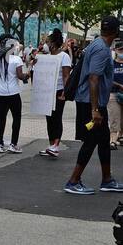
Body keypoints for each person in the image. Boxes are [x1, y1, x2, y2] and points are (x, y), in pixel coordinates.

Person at [63, 16, 123, 195]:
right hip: (91, 103)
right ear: (116, 32)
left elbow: (99, 75)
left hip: (93, 101)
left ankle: (107, 179)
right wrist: (95, 110)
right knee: (91, 140)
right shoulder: (102, 49)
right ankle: (73, 181)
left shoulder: (96, 45)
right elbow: (93, 78)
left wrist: (118, 85)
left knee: (103, 140)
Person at [36, 29, 72, 158]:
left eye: (48, 42)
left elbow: (67, 76)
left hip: (58, 91)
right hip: (47, 91)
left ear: (53, 43)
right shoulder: (47, 56)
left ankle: (56, 145)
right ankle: (51, 145)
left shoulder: (64, 56)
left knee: (56, 118)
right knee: (49, 119)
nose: (46, 44)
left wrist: (64, 92)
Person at [0, 37, 26, 152]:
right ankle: (13, 145)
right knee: (16, 118)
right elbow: (20, 76)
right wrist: (28, 74)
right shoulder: (16, 59)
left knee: (0, 118)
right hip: (13, 93)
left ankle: (0, 144)